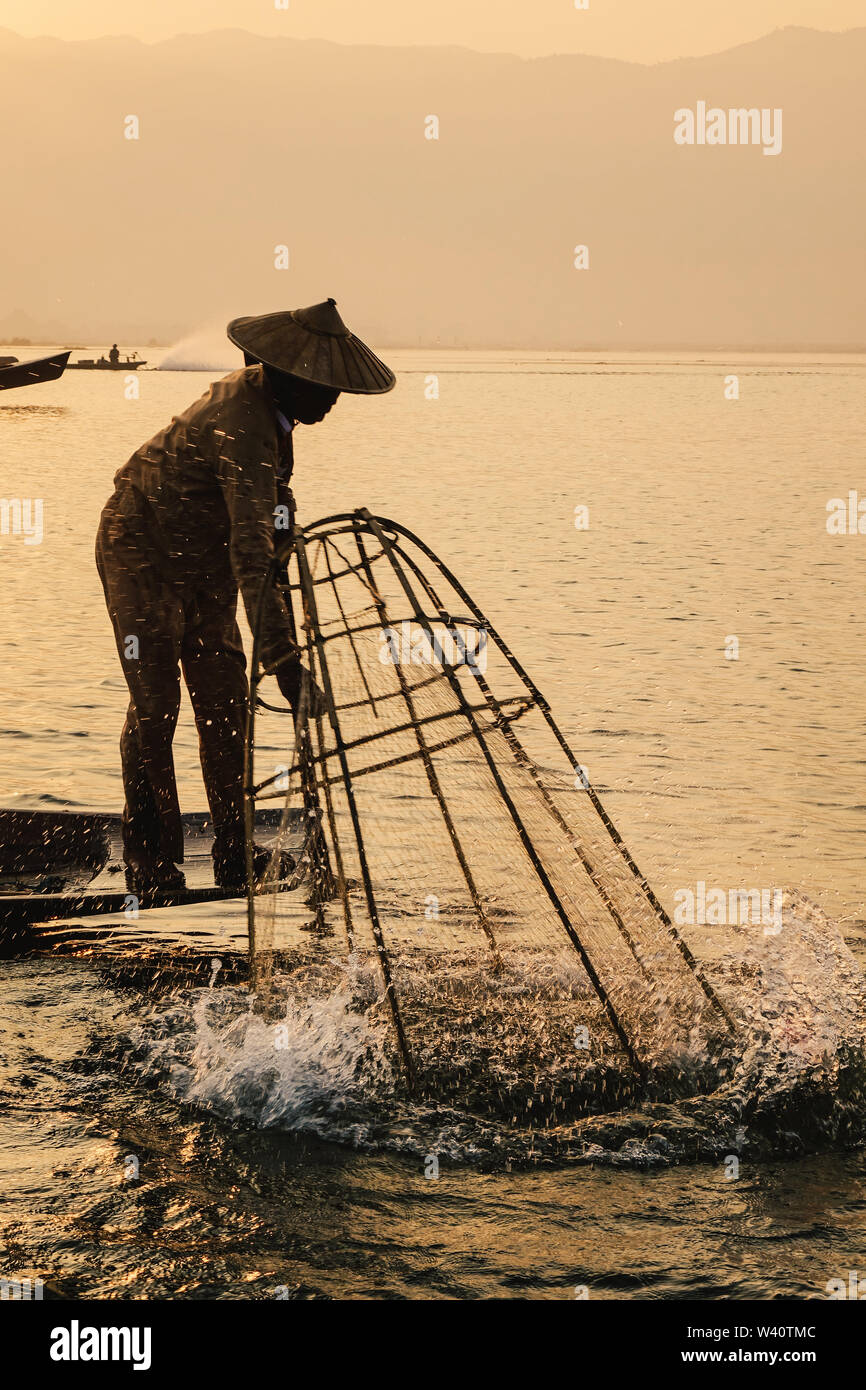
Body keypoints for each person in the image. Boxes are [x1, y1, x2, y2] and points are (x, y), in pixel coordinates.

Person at [95, 298, 395, 894]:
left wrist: (282, 597)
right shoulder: (243, 418)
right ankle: (149, 857)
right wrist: (286, 666)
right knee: (156, 706)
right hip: (142, 549)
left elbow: (269, 537)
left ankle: (235, 850)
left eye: (336, 388)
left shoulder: (275, 422)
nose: (331, 399)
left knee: (226, 703)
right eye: (321, 387)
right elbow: (253, 556)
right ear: (286, 376)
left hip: (206, 563)